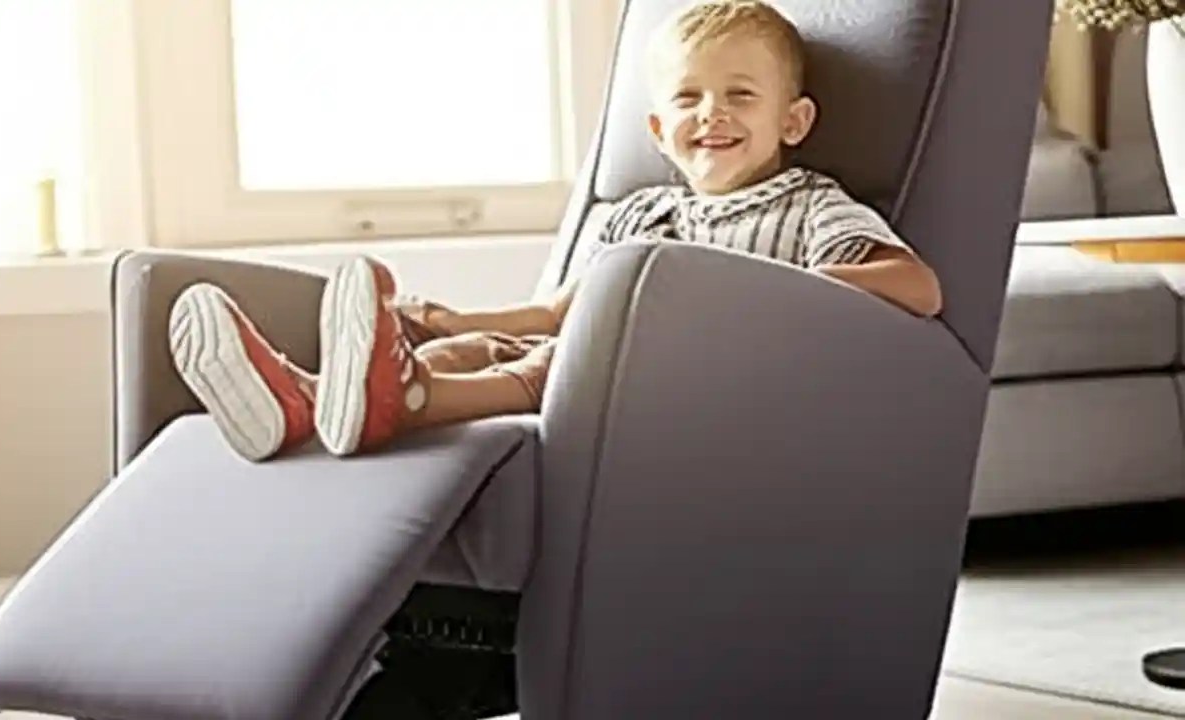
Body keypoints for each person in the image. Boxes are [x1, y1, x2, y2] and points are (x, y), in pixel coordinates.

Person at [168, 0, 943, 463]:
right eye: (688, 98)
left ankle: (400, 401)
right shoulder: (643, 213)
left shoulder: (809, 205)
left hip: (699, 390)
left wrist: (770, 290)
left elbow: (918, 286)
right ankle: (311, 400)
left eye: (740, 95)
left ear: (793, 121)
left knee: (558, 368)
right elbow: (559, 312)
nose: (712, 113)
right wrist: (453, 321)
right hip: (596, 355)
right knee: (492, 350)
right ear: (658, 130)